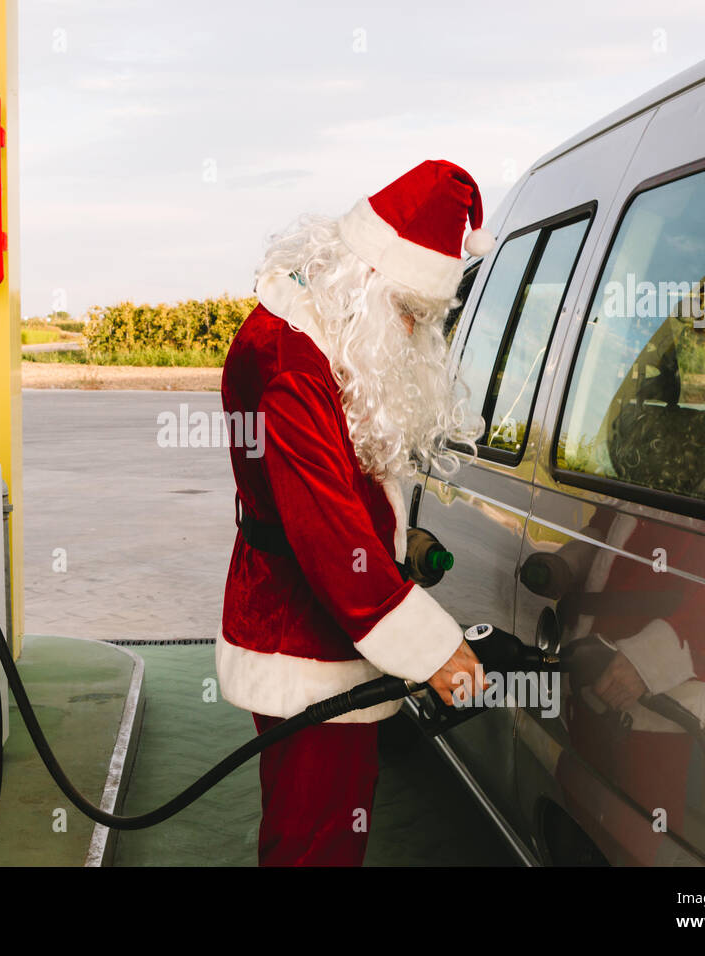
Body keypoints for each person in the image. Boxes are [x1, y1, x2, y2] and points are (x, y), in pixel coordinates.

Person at [218, 158, 495, 866]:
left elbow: (340, 487)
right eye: (407, 313)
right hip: (303, 641)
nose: (409, 335)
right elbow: (328, 536)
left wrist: (396, 536)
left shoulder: (316, 339)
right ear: (367, 283)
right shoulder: (291, 363)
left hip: (321, 634)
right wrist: (437, 652)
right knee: (318, 842)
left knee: (325, 827)